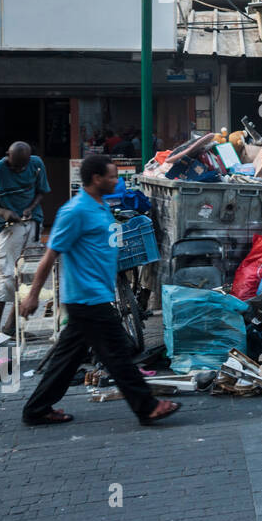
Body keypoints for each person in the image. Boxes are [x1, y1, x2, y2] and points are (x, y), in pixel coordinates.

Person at [18, 154, 179, 427]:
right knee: (117, 353)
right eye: (112, 176)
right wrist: (33, 295)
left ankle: (36, 409)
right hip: (87, 297)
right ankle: (146, 407)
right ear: (96, 179)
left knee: (67, 359)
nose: (116, 180)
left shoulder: (100, 206)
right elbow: (50, 256)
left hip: (94, 296)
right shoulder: (75, 211)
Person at [0, 142, 51, 337]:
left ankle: (11, 327)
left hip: (31, 223)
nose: (20, 170)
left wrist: (31, 207)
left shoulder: (36, 164)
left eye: (23, 166)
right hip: (6, 228)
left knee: (27, 278)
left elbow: (41, 191)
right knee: (6, 276)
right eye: (16, 166)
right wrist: (3, 211)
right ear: (7, 155)